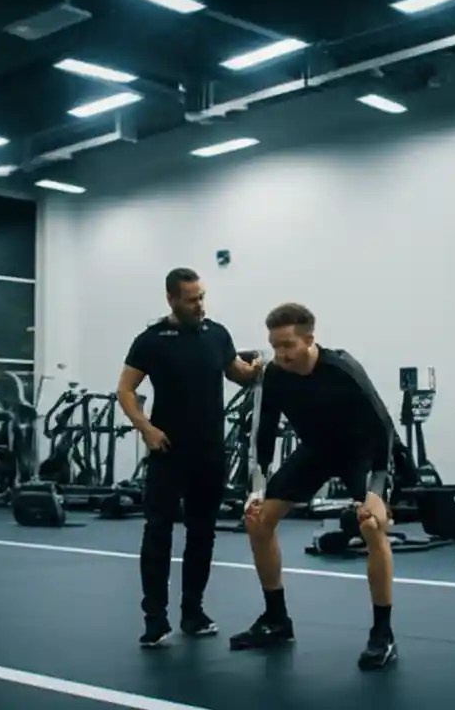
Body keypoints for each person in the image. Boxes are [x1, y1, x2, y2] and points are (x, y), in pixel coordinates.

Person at [232, 302, 400, 671]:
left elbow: (383, 428)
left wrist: (375, 489)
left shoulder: (342, 369)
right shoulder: (275, 374)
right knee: (258, 520)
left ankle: (382, 634)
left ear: (310, 339)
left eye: (288, 345)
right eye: (275, 346)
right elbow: (265, 432)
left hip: (361, 451)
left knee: (372, 526)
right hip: (317, 451)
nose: (281, 354)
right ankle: (277, 620)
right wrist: (257, 489)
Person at [117, 267, 264, 648]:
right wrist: (146, 428)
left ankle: (193, 612)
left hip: (209, 452)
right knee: (158, 533)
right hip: (168, 451)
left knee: (202, 534)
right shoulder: (151, 341)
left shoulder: (216, 334)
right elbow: (125, 391)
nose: (200, 305)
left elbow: (239, 374)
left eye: (202, 297)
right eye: (191, 299)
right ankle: (154, 617)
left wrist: (259, 369)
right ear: (171, 299)